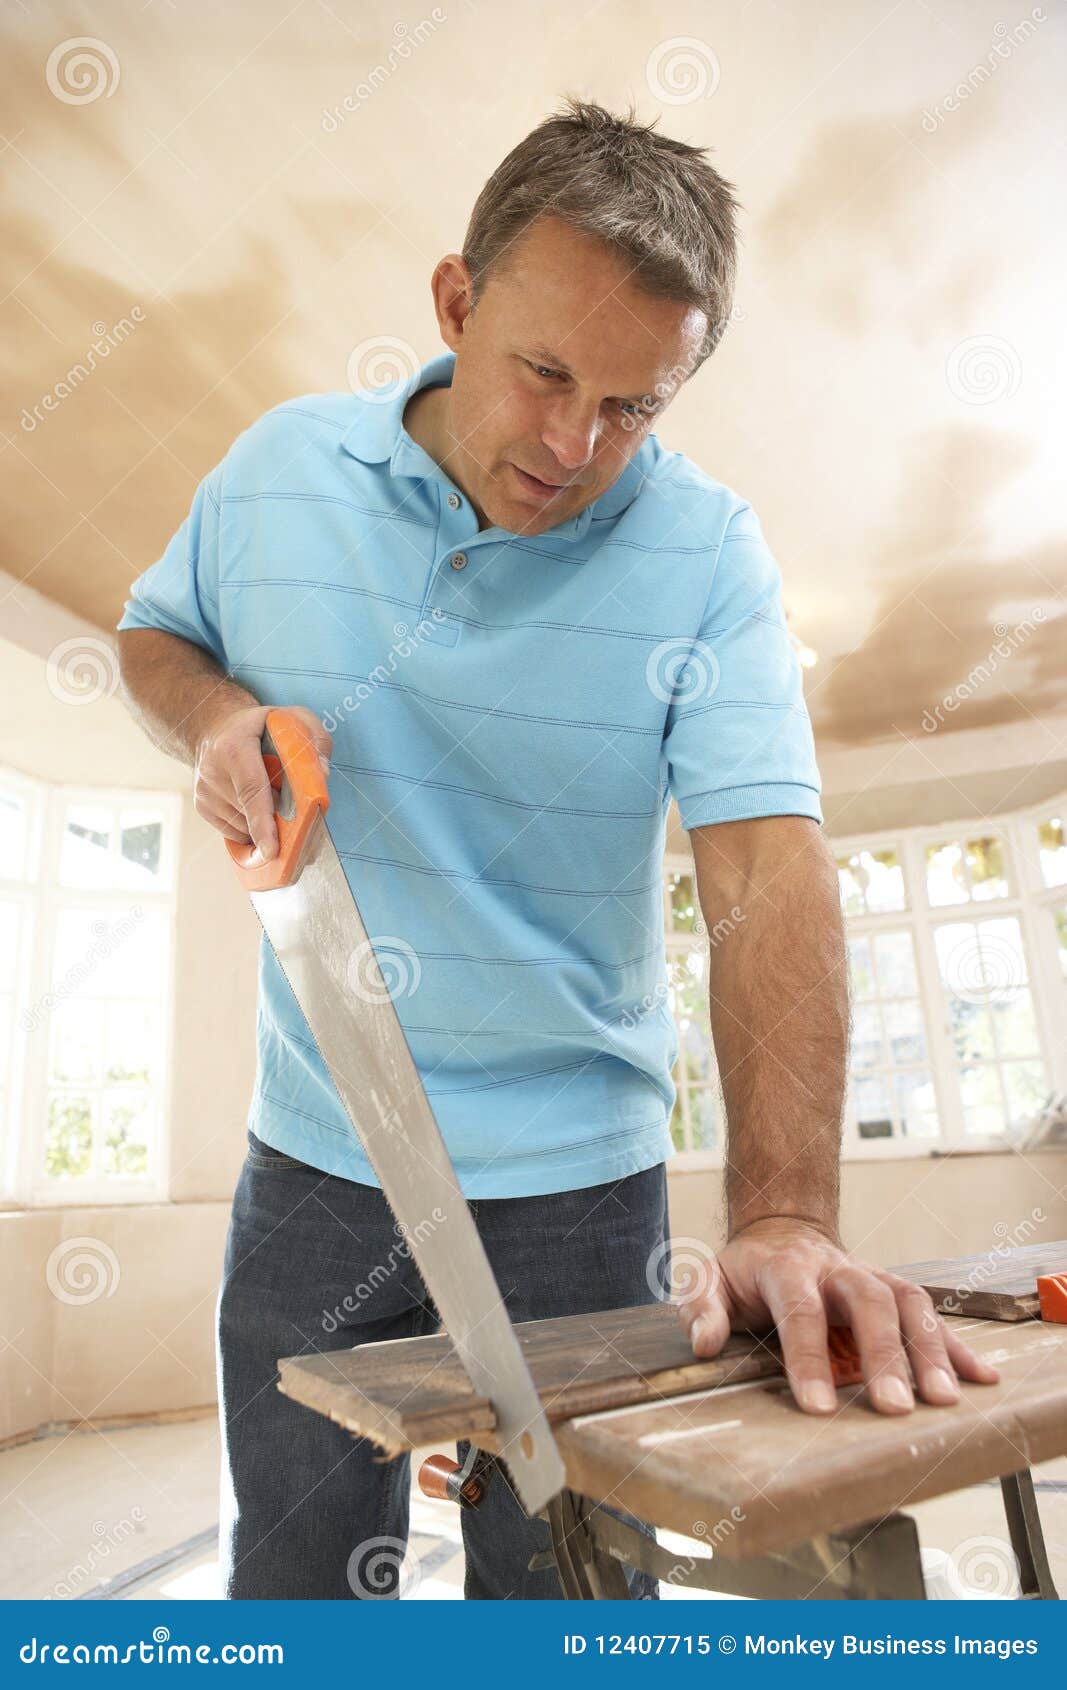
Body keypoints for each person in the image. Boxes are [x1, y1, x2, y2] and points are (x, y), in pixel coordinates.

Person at [115, 98, 998, 1601]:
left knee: (568, 1599)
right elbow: (155, 637)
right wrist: (212, 716)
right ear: (457, 301)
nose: (576, 445)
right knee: (302, 1591)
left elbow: (766, 873)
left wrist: (784, 1213)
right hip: (317, 1157)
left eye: (635, 406)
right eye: (543, 373)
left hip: (584, 1201)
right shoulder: (272, 472)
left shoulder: (710, 555)